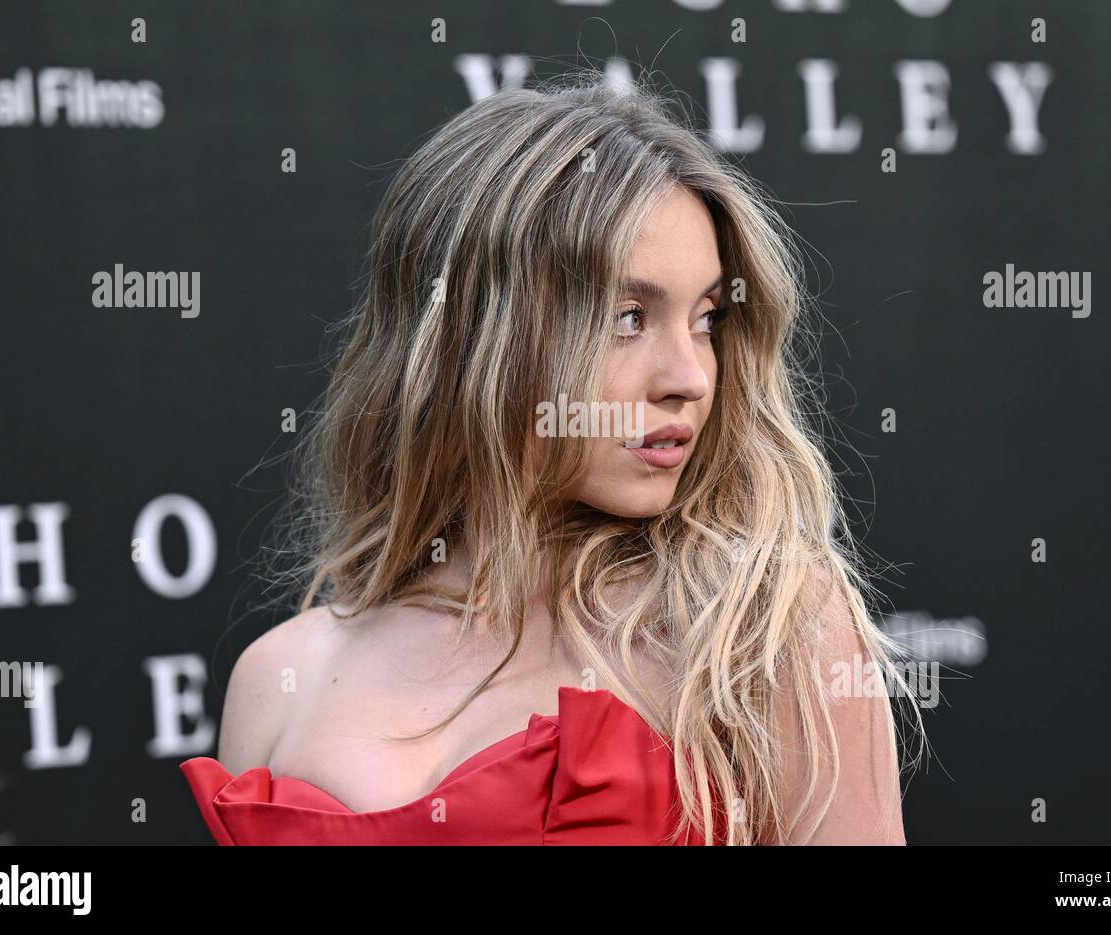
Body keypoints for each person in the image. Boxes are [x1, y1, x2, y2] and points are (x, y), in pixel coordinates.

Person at [181, 75, 922, 845]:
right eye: (629, 317)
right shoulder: (276, 679)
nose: (691, 377)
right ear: (473, 337)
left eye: (706, 319)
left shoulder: (759, 629)